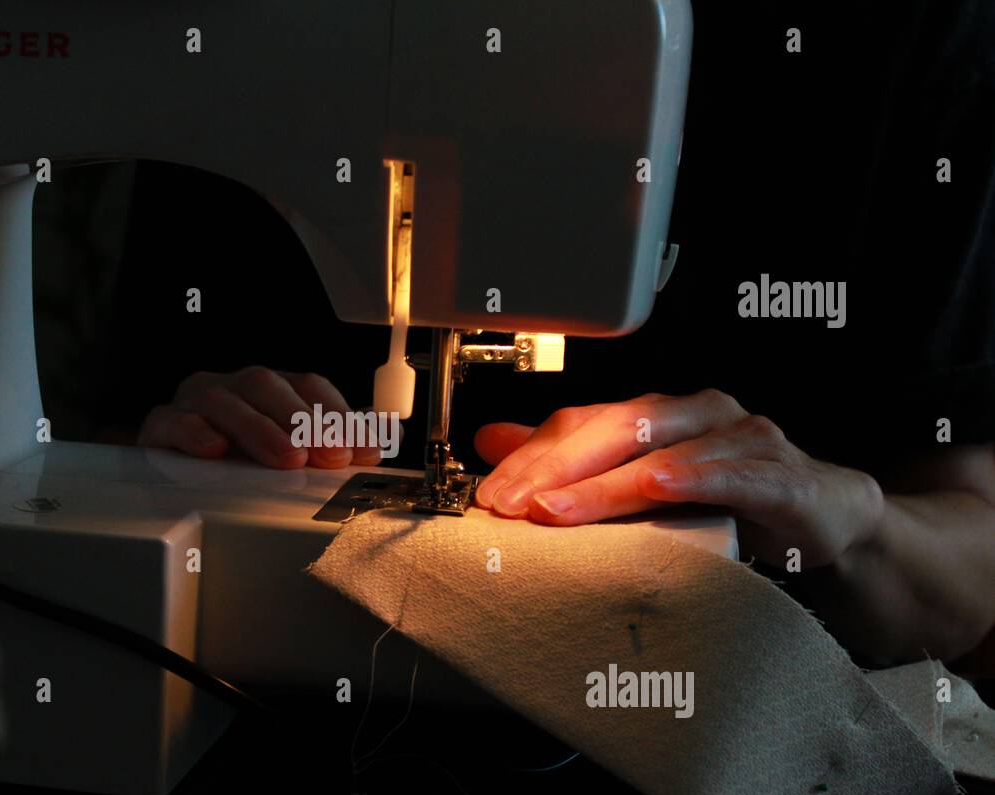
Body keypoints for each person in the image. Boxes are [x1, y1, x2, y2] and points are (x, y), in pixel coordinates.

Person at [110, 2, 995, 667]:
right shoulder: (235, 33)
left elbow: (973, 561)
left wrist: (852, 526)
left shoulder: (912, 36)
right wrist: (182, 452)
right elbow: (116, 435)